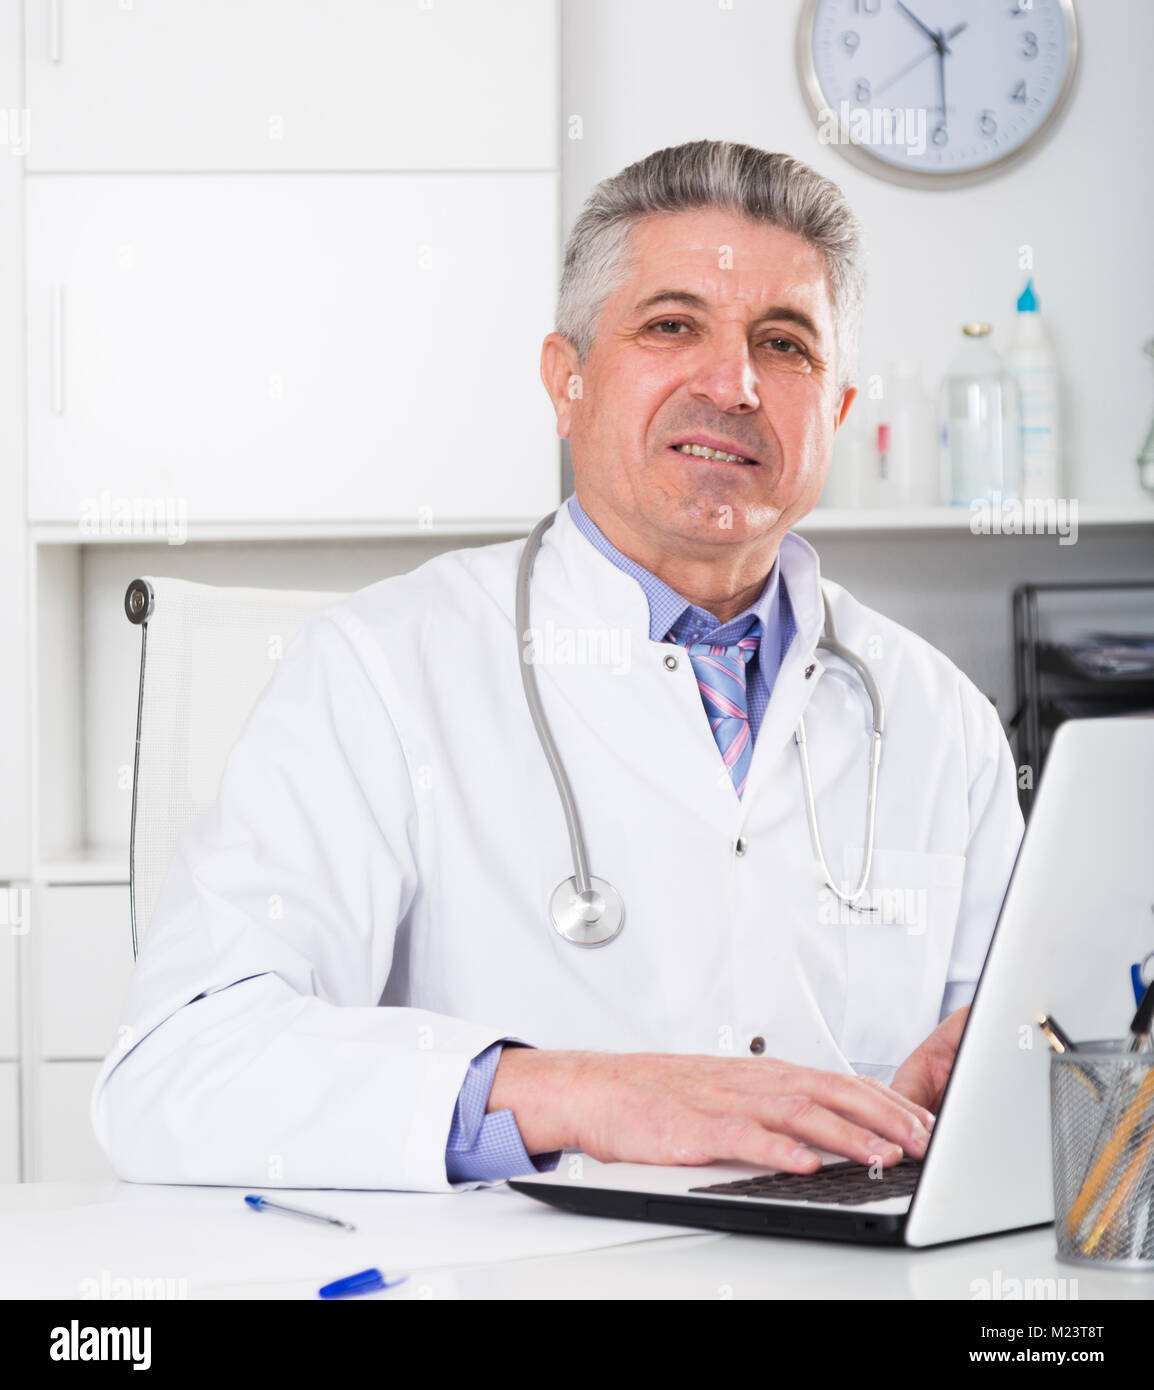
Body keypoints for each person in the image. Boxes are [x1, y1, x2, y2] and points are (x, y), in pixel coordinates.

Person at [93, 140, 1023, 1192]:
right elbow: (177, 1073)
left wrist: (1008, 1084)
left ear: (836, 415)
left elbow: (1020, 1056)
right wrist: (577, 1092)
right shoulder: (379, 668)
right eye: (671, 325)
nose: (733, 384)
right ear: (565, 378)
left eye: (784, 344)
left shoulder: (938, 715)